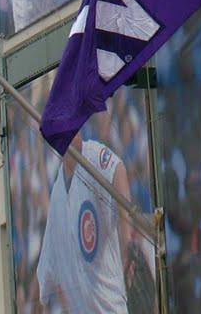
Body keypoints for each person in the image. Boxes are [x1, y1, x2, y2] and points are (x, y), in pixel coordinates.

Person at [36, 134, 138, 313]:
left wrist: (126, 237)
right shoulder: (57, 193)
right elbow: (49, 266)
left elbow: (117, 169)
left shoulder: (92, 155)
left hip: (110, 306)